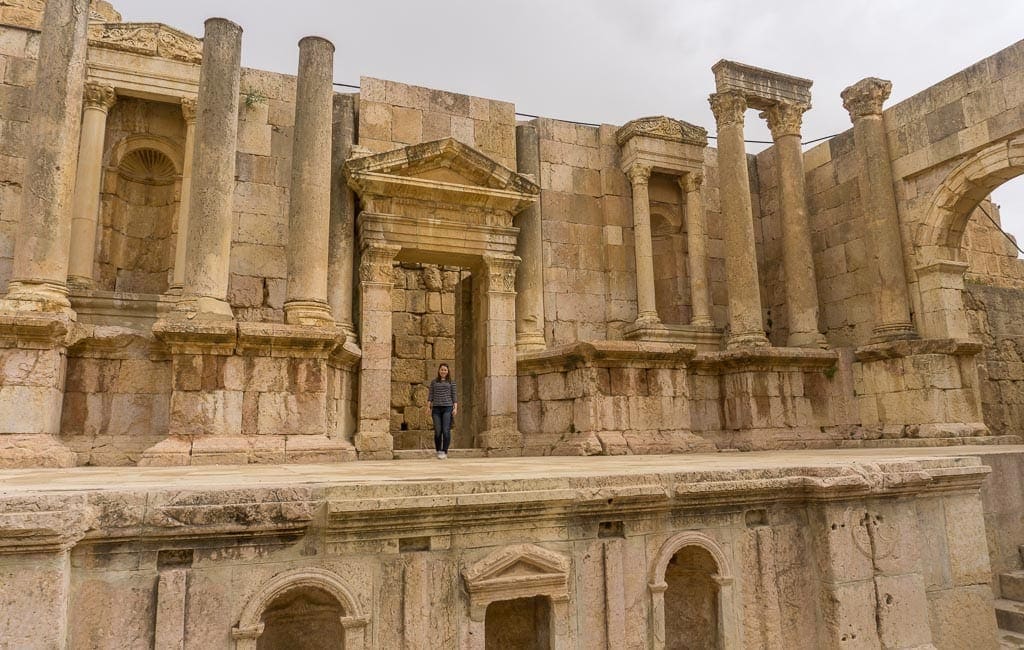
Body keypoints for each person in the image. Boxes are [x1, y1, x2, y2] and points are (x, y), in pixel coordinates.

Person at [427, 363, 458, 459]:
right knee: (437, 431)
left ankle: (444, 451)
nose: (443, 371)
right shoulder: (434, 382)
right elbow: (430, 395)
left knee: (446, 430)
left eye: (445, 370)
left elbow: (454, 396)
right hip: (436, 408)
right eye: (442, 369)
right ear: (439, 371)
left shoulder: (451, 382)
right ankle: (438, 451)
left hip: (448, 408)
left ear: (448, 371)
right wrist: (428, 407)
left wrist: (455, 407)